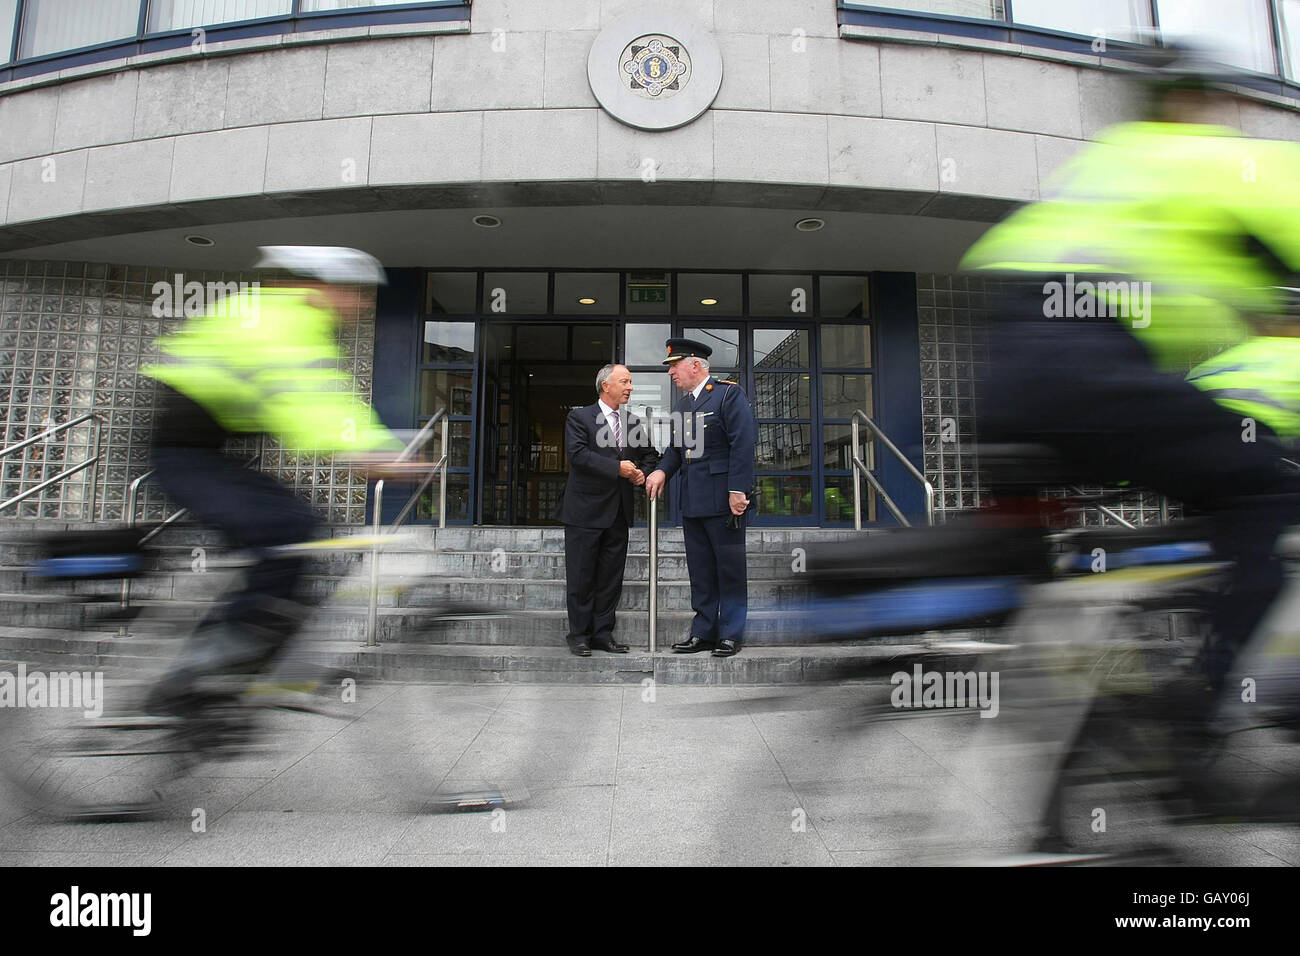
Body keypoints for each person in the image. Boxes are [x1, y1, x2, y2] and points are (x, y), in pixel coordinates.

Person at [960, 45, 1300, 694]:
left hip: (1009, 379)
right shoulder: (1225, 162)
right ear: (1193, 103)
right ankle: (1202, 710)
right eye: (1226, 104)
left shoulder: (1107, 165)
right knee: (1265, 491)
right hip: (1091, 368)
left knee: (1182, 485)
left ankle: (1073, 680)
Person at [139, 245, 406, 713]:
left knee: (297, 524)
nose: (363, 305)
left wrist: (375, 445)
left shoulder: (298, 322)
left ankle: (255, 651)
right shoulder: (278, 319)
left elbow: (329, 398)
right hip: (182, 452)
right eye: (356, 294)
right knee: (284, 527)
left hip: (209, 453)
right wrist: (367, 451)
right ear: (323, 287)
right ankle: (213, 658)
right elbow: (304, 399)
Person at [644, 338, 757, 658]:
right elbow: (676, 452)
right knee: (702, 570)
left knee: (729, 569)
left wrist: (739, 490)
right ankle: (704, 631)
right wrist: (663, 472)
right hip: (693, 501)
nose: (671, 373)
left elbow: (743, 444)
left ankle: (731, 633)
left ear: (695, 365)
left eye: (674, 366)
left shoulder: (727, 394)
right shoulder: (681, 407)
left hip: (724, 500)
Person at [557, 364, 659, 656]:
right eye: (625, 381)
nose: (630, 387)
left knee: (610, 578)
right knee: (581, 576)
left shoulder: (633, 422)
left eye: (631, 382)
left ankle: (603, 634)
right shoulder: (579, 417)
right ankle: (579, 634)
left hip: (618, 513)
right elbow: (578, 456)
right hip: (583, 513)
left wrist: (642, 473)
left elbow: (650, 455)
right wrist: (618, 468)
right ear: (606, 386)